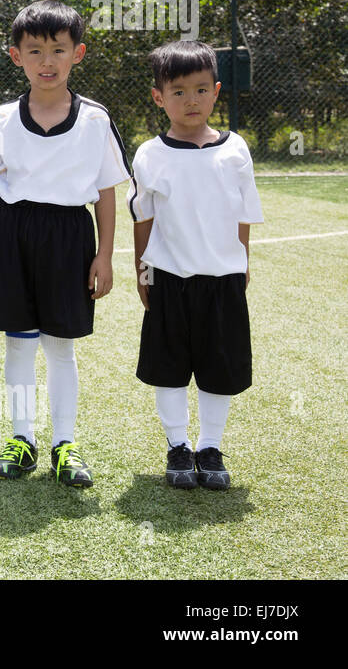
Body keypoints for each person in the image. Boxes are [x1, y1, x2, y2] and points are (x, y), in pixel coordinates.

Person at [0, 0, 129, 487]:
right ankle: (22, 439)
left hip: (69, 236)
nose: (47, 61)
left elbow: (105, 193)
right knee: (18, 345)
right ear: (16, 55)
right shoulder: (2, 117)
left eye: (58, 50)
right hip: (13, 235)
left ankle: (65, 443)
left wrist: (104, 255)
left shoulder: (95, 119)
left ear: (77, 54)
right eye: (35, 50)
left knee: (60, 346)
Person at [129, 40, 262, 490]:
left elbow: (244, 214)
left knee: (218, 366)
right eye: (179, 91)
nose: (191, 100)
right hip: (169, 279)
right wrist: (143, 269)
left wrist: (241, 262)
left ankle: (210, 446)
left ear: (217, 91)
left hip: (222, 280)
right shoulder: (150, 153)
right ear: (158, 96)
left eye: (201, 89)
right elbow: (143, 217)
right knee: (169, 366)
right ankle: (177, 446)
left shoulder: (235, 149)